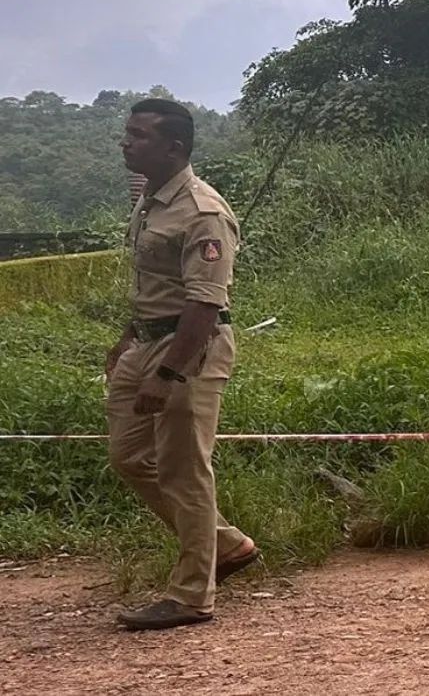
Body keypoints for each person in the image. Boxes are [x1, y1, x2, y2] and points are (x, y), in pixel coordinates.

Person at [105, 98, 258, 630]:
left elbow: (204, 303)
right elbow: (157, 282)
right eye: (127, 132)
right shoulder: (149, 200)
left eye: (139, 135)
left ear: (174, 147)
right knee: (129, 456)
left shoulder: (202, 211)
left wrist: (168, 374)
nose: (127, 142)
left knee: (184, 471)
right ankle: (226, 544)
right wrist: (128, 340)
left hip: (190, 348)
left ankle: (193, 595)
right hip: (146, 341)